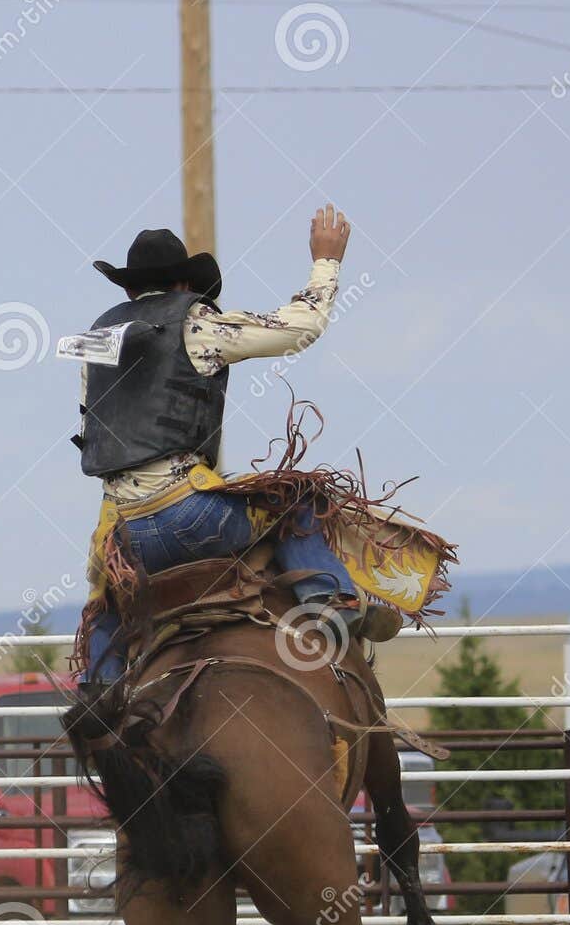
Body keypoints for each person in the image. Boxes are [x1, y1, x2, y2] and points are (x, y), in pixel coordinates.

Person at [73, 204, 395, 690]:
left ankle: (99, 689)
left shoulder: (97, 343)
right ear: (183, 285)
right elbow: (298, 327)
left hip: (123, 538)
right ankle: (331, 602)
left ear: (127, 289)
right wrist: (326, 261)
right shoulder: (195, 323)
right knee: (296, 499)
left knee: (104, 602)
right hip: (193, 518)